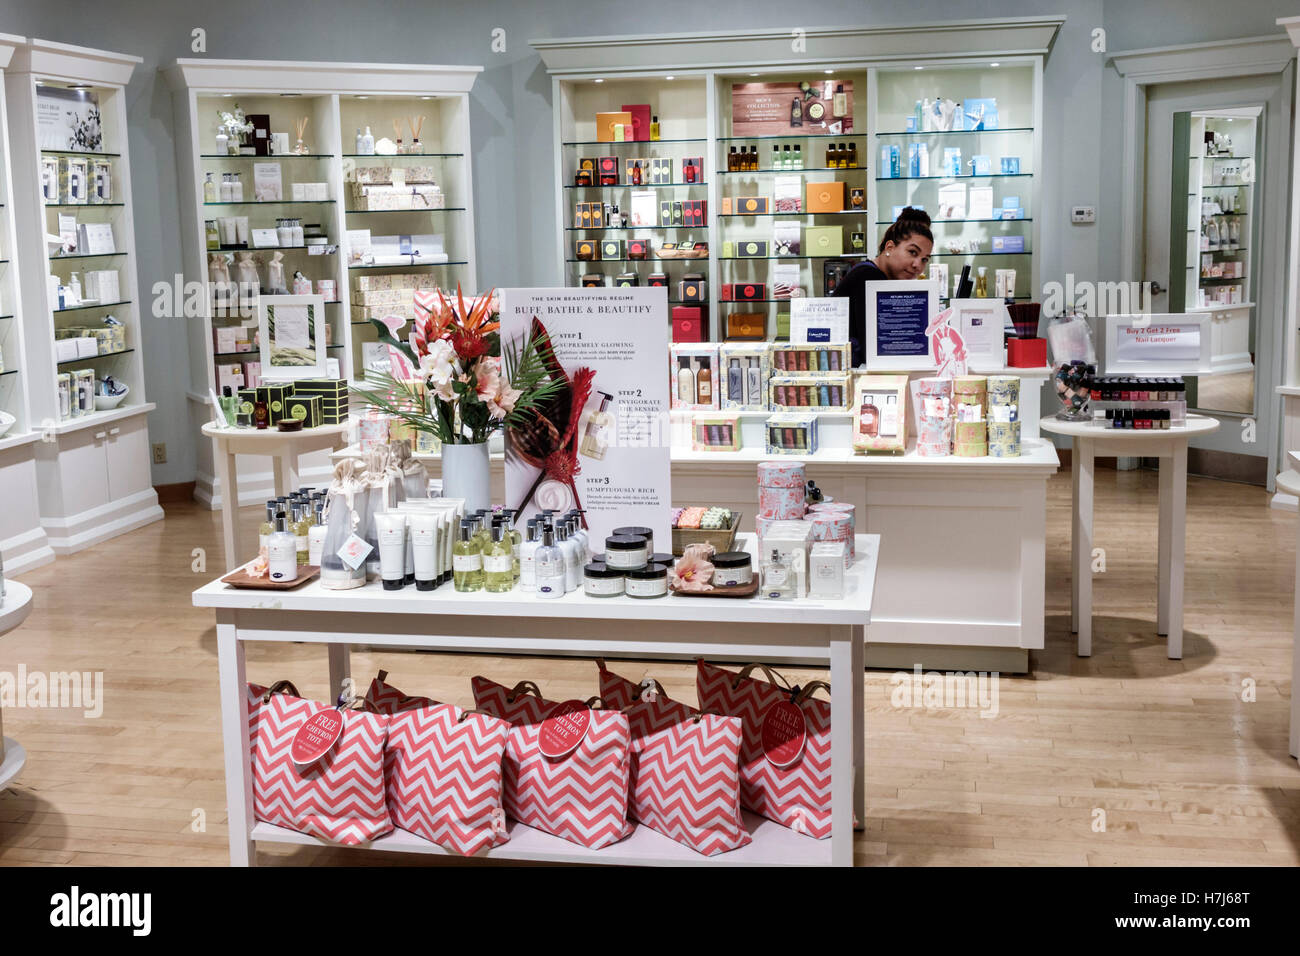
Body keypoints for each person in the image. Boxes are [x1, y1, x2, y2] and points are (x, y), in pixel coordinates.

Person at [832, 206, 934, 366]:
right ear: (889, 247)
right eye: (913, 252)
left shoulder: (876, 276)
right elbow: (874, 350)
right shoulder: (868, 277)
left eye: (924, 259)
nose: (918, 266)